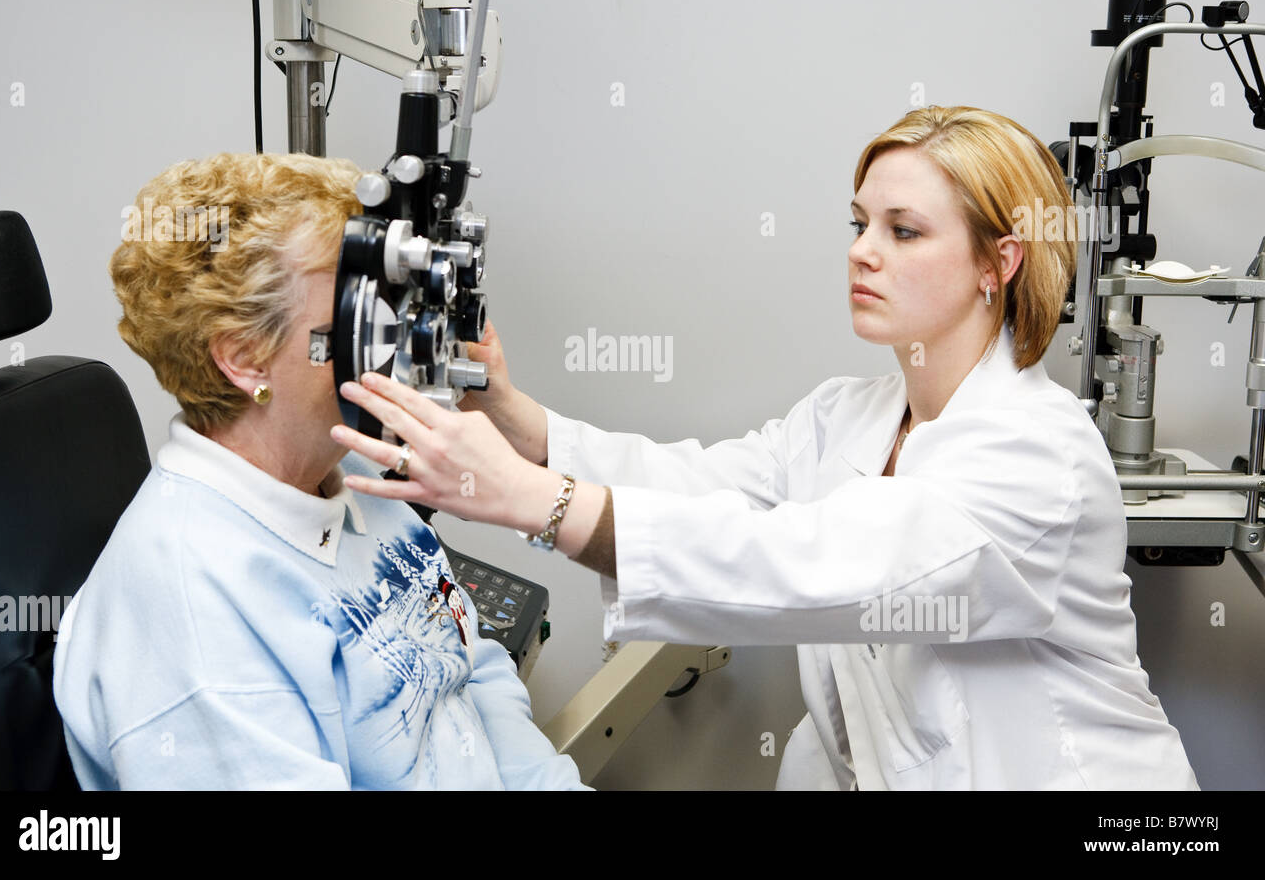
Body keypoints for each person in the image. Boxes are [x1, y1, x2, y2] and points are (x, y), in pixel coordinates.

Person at [329, 105, 1200, 789]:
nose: (861, 253)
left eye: (903, 231)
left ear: (998, 263)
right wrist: (513, 416)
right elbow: (696, 487)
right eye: (858, 224)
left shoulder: (1037, 455)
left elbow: (817, 566)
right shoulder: (849, 417)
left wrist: (533, 503)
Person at [52, 152, 584, 790]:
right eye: (359, 311)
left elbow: (471, 669)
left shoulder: (355, 475)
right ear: (246, 358)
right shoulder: (194, 612)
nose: (393, 333)